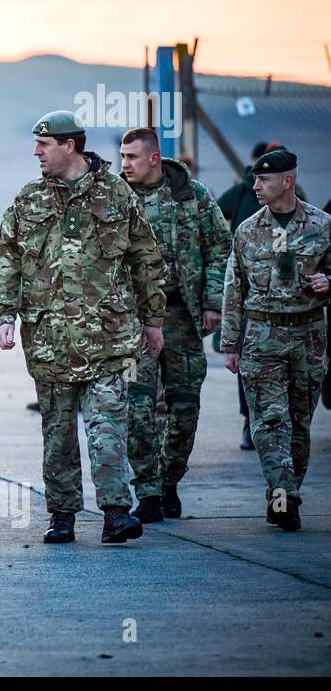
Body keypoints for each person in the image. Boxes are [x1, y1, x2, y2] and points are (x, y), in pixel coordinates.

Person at [0, 111, 165, 545]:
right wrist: (4, 315)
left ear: (70, 146)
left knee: (108, 429)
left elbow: (144, 258)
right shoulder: (28, 200)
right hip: (50, 341)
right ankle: (62, 514)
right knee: (58, 433)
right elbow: (4, 260)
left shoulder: (117, 194)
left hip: (109, 338)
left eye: (43, 145)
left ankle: (116, 513)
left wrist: (154, 319)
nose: (36, 153)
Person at [119, 128, 231, 521]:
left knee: (185, 407)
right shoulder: (116, 198)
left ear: (154, 158)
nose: (124, 164)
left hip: (182, 318)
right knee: (137, 405)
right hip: (133, 321)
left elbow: (220, 245)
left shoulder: (192, 195)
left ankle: (169, 482)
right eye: (122, 156)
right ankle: (147, 490)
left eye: (132, 157)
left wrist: (214, 301)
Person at [221, 149, 330, 532]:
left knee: (299, 422)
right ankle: (282, 495)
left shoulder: (322, 224)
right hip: (261, 337)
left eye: (263, 181)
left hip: (308, 337)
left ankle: (286, 495)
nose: (255, 187)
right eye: (254, 180)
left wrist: (327, 283)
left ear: (287, 181)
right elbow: (234, 289)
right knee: (269, 422)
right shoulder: (248, 230)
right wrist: (230, 344)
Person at [217, 141, 308, 450]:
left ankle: (288, 437)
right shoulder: (243, 196)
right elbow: (216, 219)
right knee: (252, 373)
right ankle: (251, 423)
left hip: (297, 317)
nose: (258, 185)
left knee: (296, 395)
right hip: (255, 310)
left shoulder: (308, 212)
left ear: (287, 179)